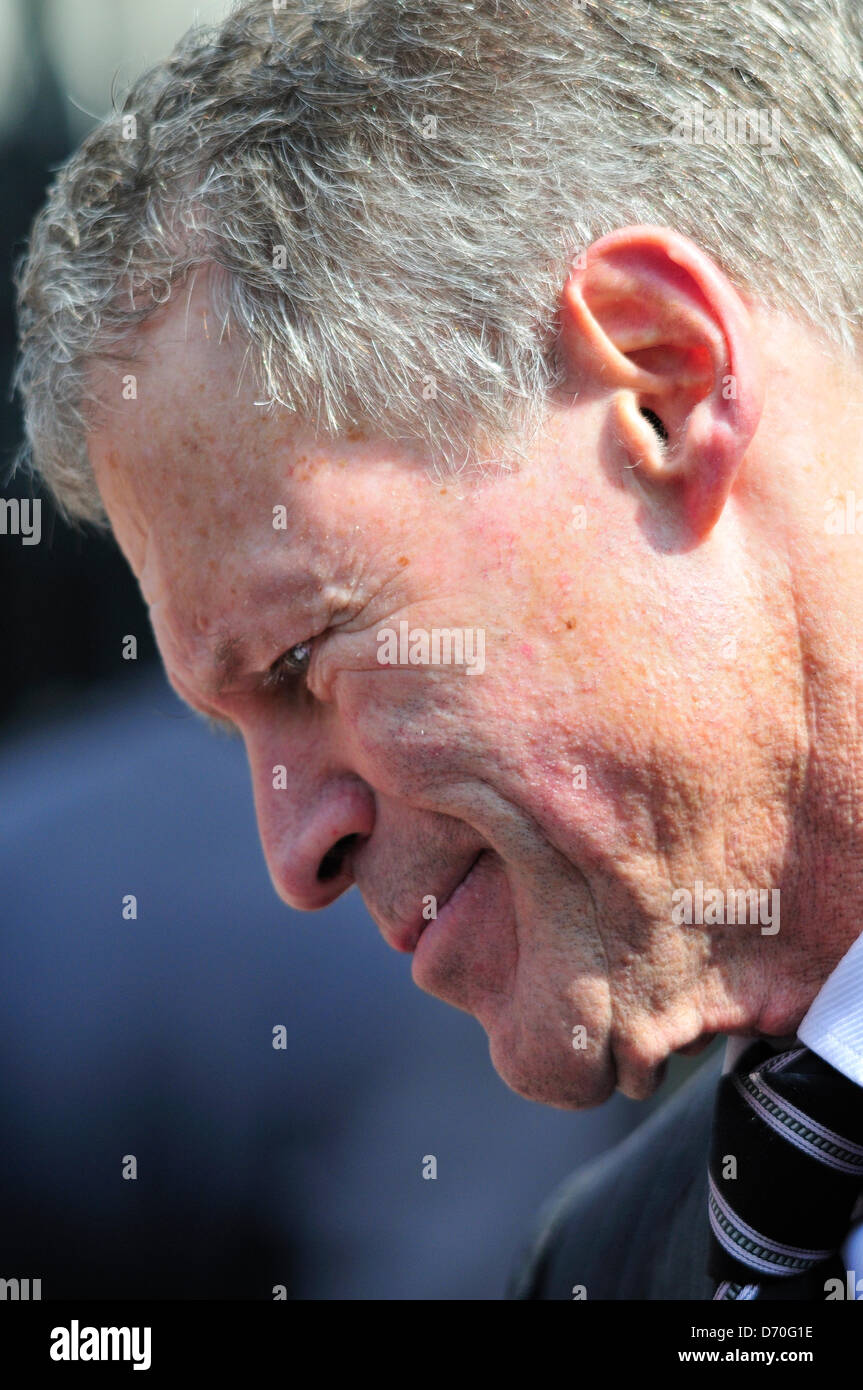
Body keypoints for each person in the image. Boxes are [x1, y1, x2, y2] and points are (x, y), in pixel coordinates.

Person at [14, 0, 863, 1300]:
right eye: (229, 726)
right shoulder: (614, 1258)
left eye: (303, 662)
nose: (292, 855)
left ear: (663, 385)